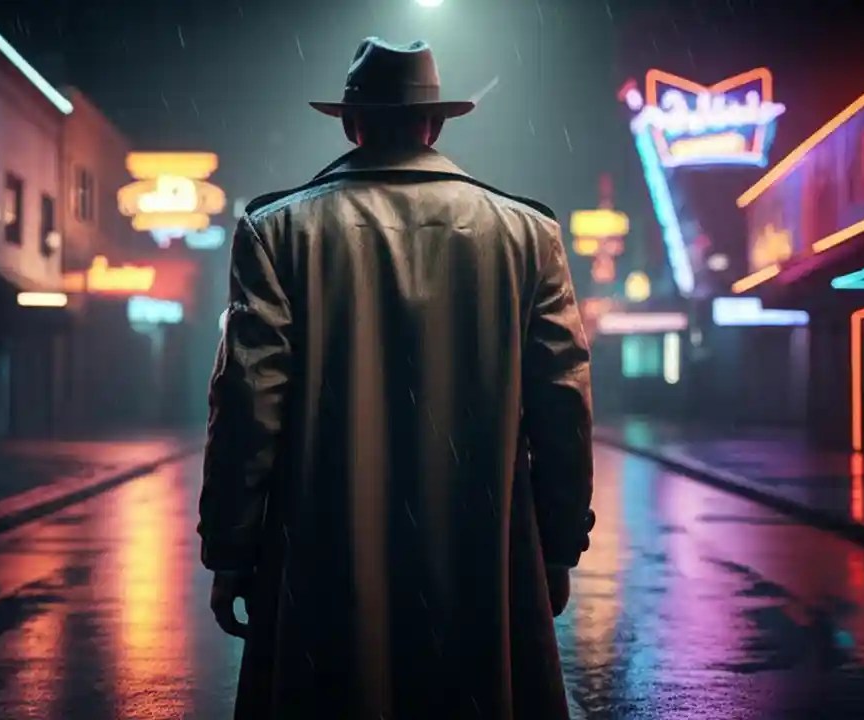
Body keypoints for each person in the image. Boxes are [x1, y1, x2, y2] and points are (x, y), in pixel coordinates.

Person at [198, 37, 595, 720]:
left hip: (323, 559)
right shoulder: (529, 235)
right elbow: (564, 407)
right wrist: (557, 545)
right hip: (484, 556)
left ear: (352, 123)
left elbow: (248, 405)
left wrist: (231, 547)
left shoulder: (277, 231)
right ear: (434, 123)